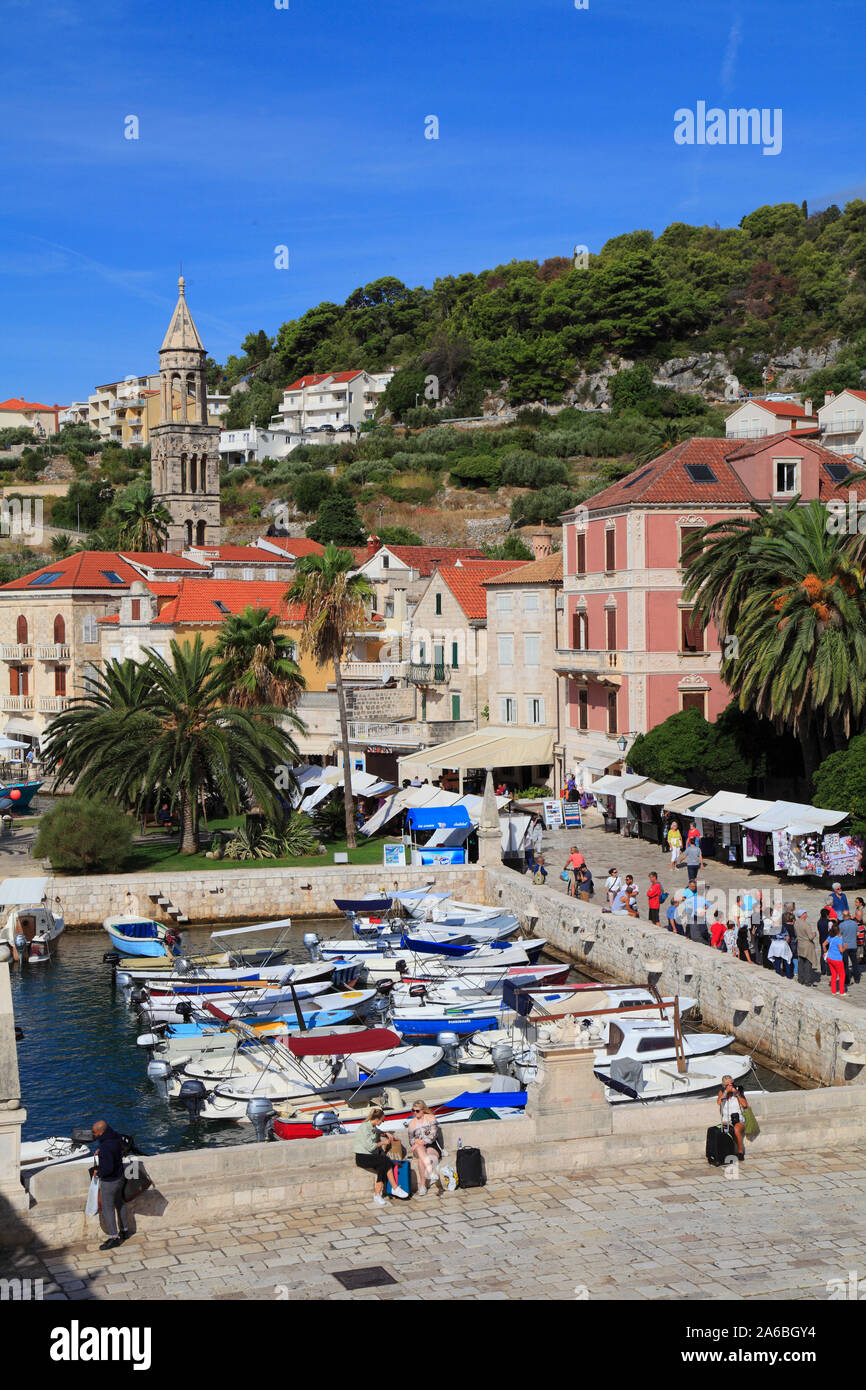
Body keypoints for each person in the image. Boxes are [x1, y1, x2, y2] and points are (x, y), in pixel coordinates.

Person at [354, 1106, 408, 1206]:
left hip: (370, 1156)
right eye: (382, 1121)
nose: (382, 1123)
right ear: (377, 1119)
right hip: (362, 1157)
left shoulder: (372, 1126)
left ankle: (378, 1195)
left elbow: (377, 1132)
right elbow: (370, 1147)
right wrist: (383, 1143)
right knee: (385, 1161)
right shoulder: (365, 1128)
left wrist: (386, 1133)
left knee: (383, 1165)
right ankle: (394, 1188)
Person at [91, 1120, 131, 1251]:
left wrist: (98, 1172)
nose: (93, 1134)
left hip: (110, 1182)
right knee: (120, 1203)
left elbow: (107, 1168)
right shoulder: (114, 1136)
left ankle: (113, 1238)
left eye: (95, 1132)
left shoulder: (106, 1146)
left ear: (101, 1131)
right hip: (120, 1177)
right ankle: (124, 1230)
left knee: (108, 1208)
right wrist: (101, 1151)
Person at [407, 1101, 442, 1195]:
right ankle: (431, 1174)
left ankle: (422, 1186)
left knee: (422, 1159)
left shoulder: (431, 1118)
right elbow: (411, 1140)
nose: (414, 1113)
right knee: (419, 1148)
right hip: (418, 1147)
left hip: (431, 1144)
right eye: (413, 1111)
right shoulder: (412, 1123)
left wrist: (422, 1141)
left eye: (417, 1111)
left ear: (423, 1110)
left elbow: (434, 1135)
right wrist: (417, 1142)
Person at [717, 1075, 751, 1162]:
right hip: (726, 1120)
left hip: (739, 1119)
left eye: (731, 1084)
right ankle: (727, 1152)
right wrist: (726, 1092)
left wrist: (736, 1093)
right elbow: (718, 1102)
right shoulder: (722, 1092)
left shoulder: (738, 1091)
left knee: (736, 1129)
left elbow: (745, 1105)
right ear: (724, 1085)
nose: (730, 1086)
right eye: (727, 1085)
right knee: (726, 1129)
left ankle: (740, 1151)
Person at [794, 910, 820, 988]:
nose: (806, 914)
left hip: (800, 944)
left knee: (801, 963)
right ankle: (807, 981)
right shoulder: (806, 924)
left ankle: (800, 979)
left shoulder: (796, 923)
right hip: (807, 945)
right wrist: (814, 934)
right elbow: (810, 937)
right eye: (805, 913)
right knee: (808, 963)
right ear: (802, 915)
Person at [838, 909, 861, 987]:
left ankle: (847, 980)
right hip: (853, 945)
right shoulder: (855, 924)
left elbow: (839, 935)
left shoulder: (841, 925)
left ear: (844, 916)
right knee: (854, 963)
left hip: (845, 946)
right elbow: (858, 933)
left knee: (845, 964)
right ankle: (857, 978)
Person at [824, 924, 846, 997]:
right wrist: (845, 947)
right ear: (838, 931)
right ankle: (841, 992)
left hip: (830, 958)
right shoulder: (839, 939)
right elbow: (841, 950)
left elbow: (824, 944)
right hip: (837, 959)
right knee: (842, 975)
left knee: (834, 975)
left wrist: (825, 952)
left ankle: (833, 991)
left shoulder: (830, 937)